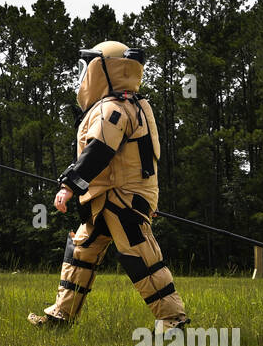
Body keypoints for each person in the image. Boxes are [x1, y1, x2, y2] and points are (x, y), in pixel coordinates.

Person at [28, 41, 189, 330]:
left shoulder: (113, 108)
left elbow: (100, 151)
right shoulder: (135, 103)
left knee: (141, 257)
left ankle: (172, 320)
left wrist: (69, 186)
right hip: (109, 197)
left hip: (121, 200)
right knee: (81, 253)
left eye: (87, 67)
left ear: (105, 69)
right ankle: (60, 317)